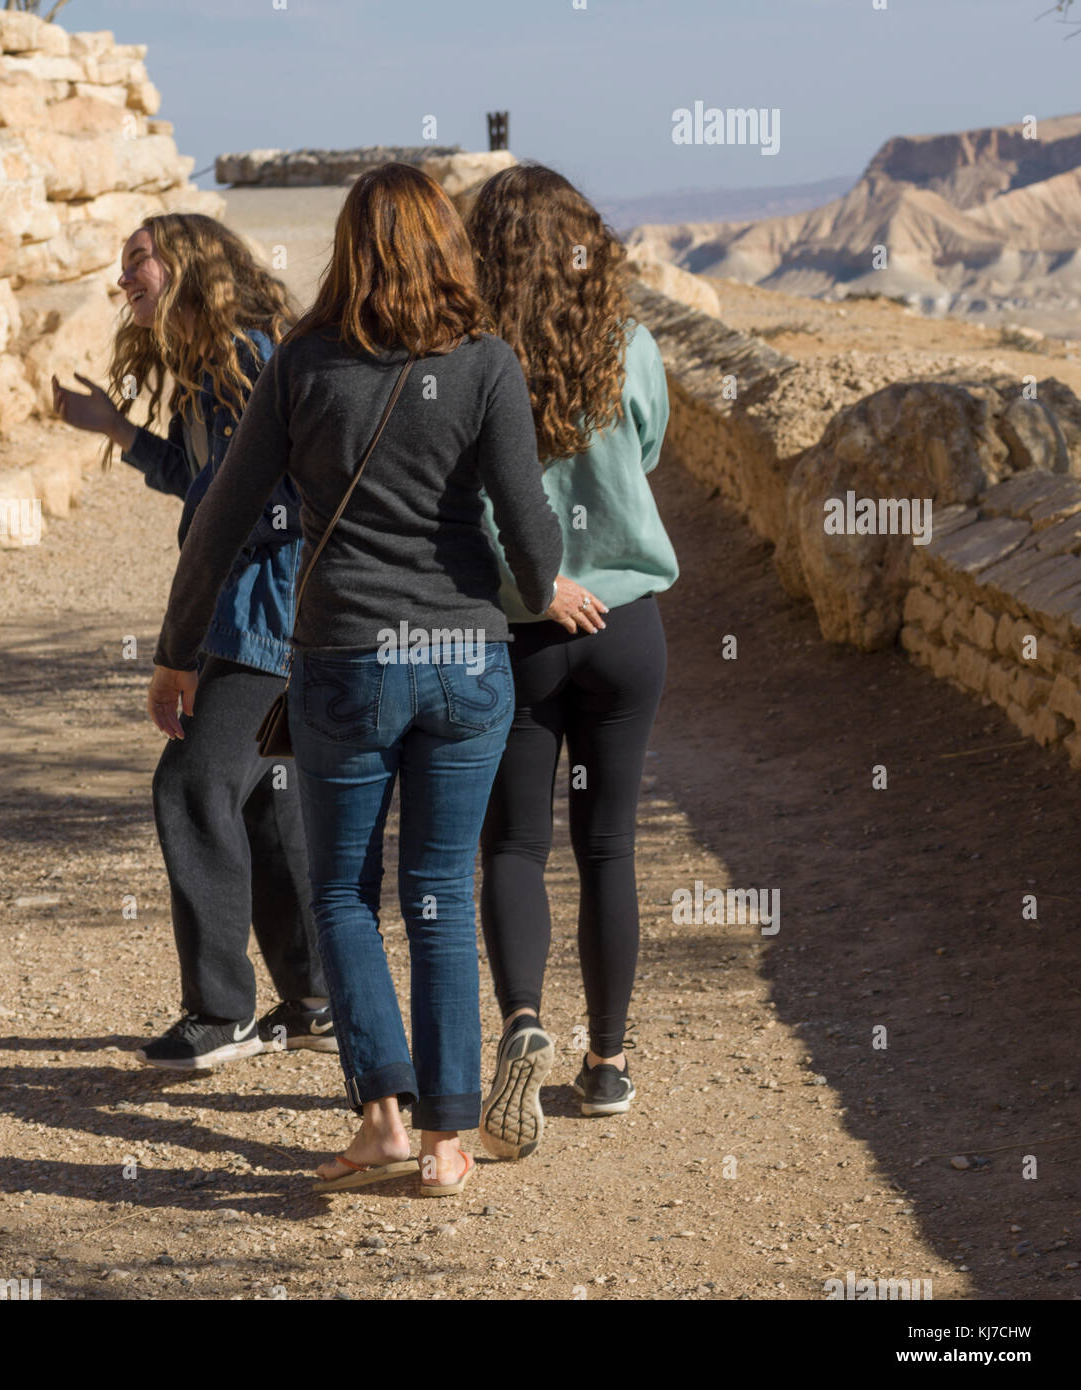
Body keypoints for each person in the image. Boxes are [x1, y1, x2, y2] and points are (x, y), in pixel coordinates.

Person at [148, 164, 580, 1194]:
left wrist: (177, 653)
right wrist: (542, 584)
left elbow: (221, 518)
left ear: (350, 248)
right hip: (465, 660)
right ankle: (446, 1142)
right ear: (446, 245)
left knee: (344, 890)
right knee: (437, 888)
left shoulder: (302, 362)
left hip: (347, 657)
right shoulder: (485, 361)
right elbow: (527, 539)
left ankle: (380, 1117)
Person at [52, 212, 333, 1069]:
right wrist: (117, 430)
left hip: (266, 619)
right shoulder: (218, 365)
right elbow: (202, 480)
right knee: (260, 800)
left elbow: (252, 499)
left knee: (190, 782)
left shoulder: (248, 359)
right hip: (254, 618)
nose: (125, 276)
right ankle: (313, 996)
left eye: (139, 258)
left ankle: (221, 1013)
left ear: (189, 261)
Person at [467, 164, 677, 1158]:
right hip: (625, 628)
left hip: (520, 628)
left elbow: (462, 506)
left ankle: (519, 1020)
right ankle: (608, 1063)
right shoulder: (629, 344)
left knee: (512, 846)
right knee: (608, 848)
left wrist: (534, 577)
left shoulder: (471, 357)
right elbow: (650, 448)